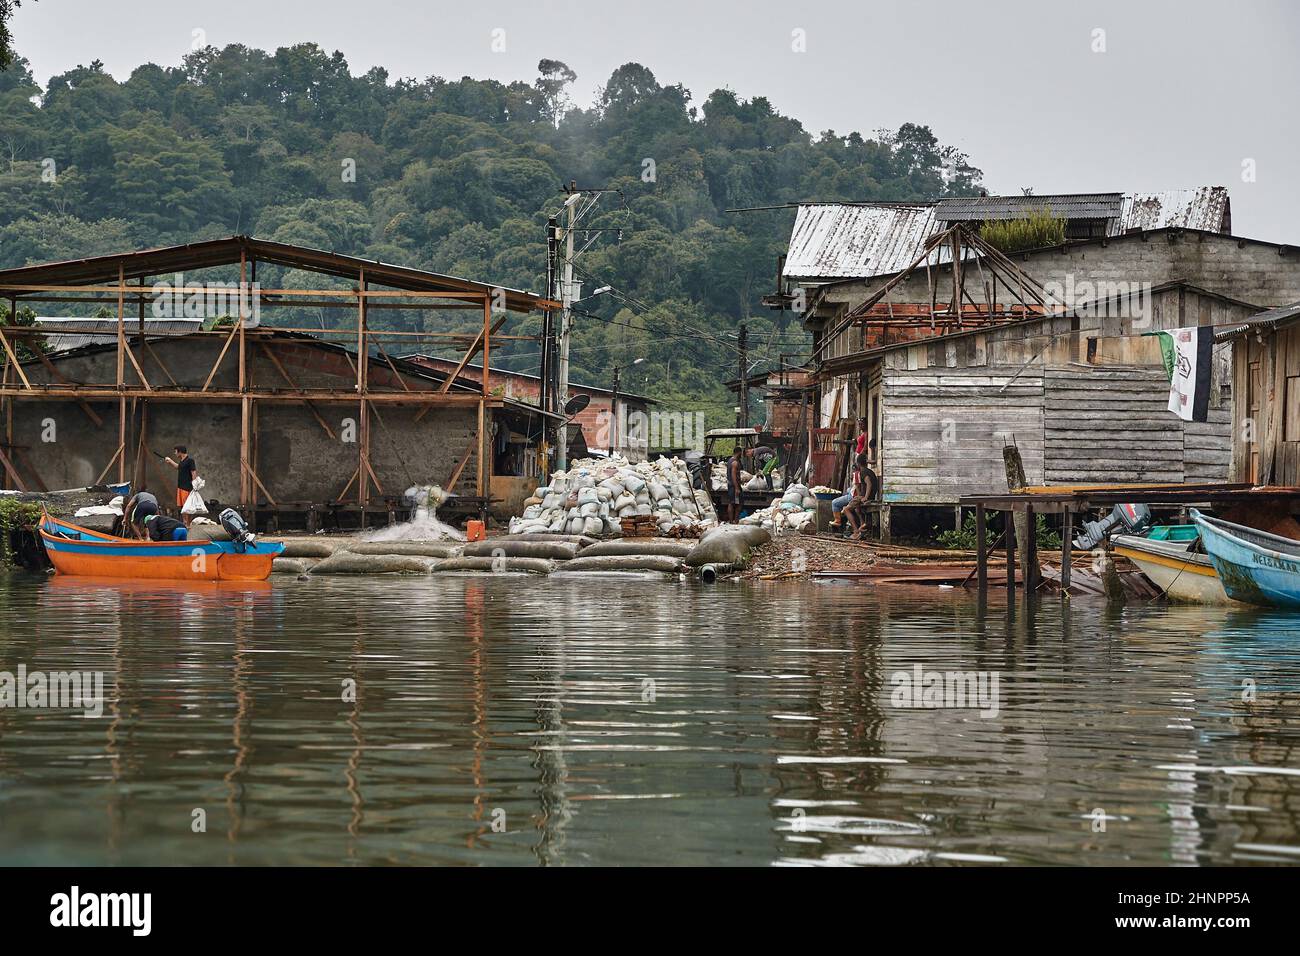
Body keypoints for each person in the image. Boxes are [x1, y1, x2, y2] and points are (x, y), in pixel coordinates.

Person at [164, 445, 198, 527]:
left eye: (175, 451)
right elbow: (179, 467)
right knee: (182, 507)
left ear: (180, 452)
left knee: (187, 506)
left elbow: (193, 472)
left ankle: (188, 524)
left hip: (187, 487)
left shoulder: (190, 461)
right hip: (180, 487)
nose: (175, 453)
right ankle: (185, 522)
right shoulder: (182, 461)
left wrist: (194, 485)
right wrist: (170, 461)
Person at [726, 447, 743, 524]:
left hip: (731, 485)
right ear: (739, 452)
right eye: (741, 453)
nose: (741, 455)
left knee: (732, 503)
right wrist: (737, 488)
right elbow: (733, 475)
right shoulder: (735, 462)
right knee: (737, 504)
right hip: (734, 486)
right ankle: (735, 521)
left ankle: (732, 521)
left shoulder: (730, 460)